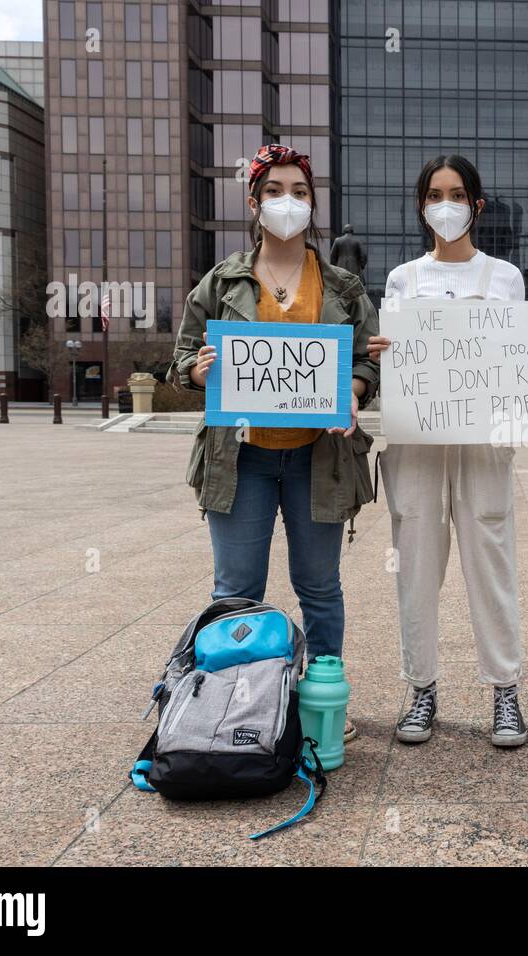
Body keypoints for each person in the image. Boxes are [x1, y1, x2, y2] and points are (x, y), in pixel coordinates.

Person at [368, 155, 528, 748]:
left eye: (456, 194)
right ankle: (421, 688)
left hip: (484, 443)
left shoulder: (505, 278)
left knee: (492, 560)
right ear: (422, 206)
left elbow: (527, 360)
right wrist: (384, 356)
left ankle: (505, 691)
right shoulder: (402, 279)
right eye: (433, 195)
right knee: (416, 563)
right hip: (419, 443)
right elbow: (398, 361)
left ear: (475, 204)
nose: (444, 205)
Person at [169, 144, 380, 743]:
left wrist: (356, 390)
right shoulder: (223, 280)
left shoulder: (342, 284)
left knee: (320, 588)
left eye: (300, 191)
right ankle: (236, 704)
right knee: (236, 590)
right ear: (254, 202)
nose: (288, 201)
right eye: (275, 191)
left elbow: (367, 359)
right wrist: (197, 371)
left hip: (319, 458)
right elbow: (181, 358)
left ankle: (321, 699)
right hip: (241, 458)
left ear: (313, 204)